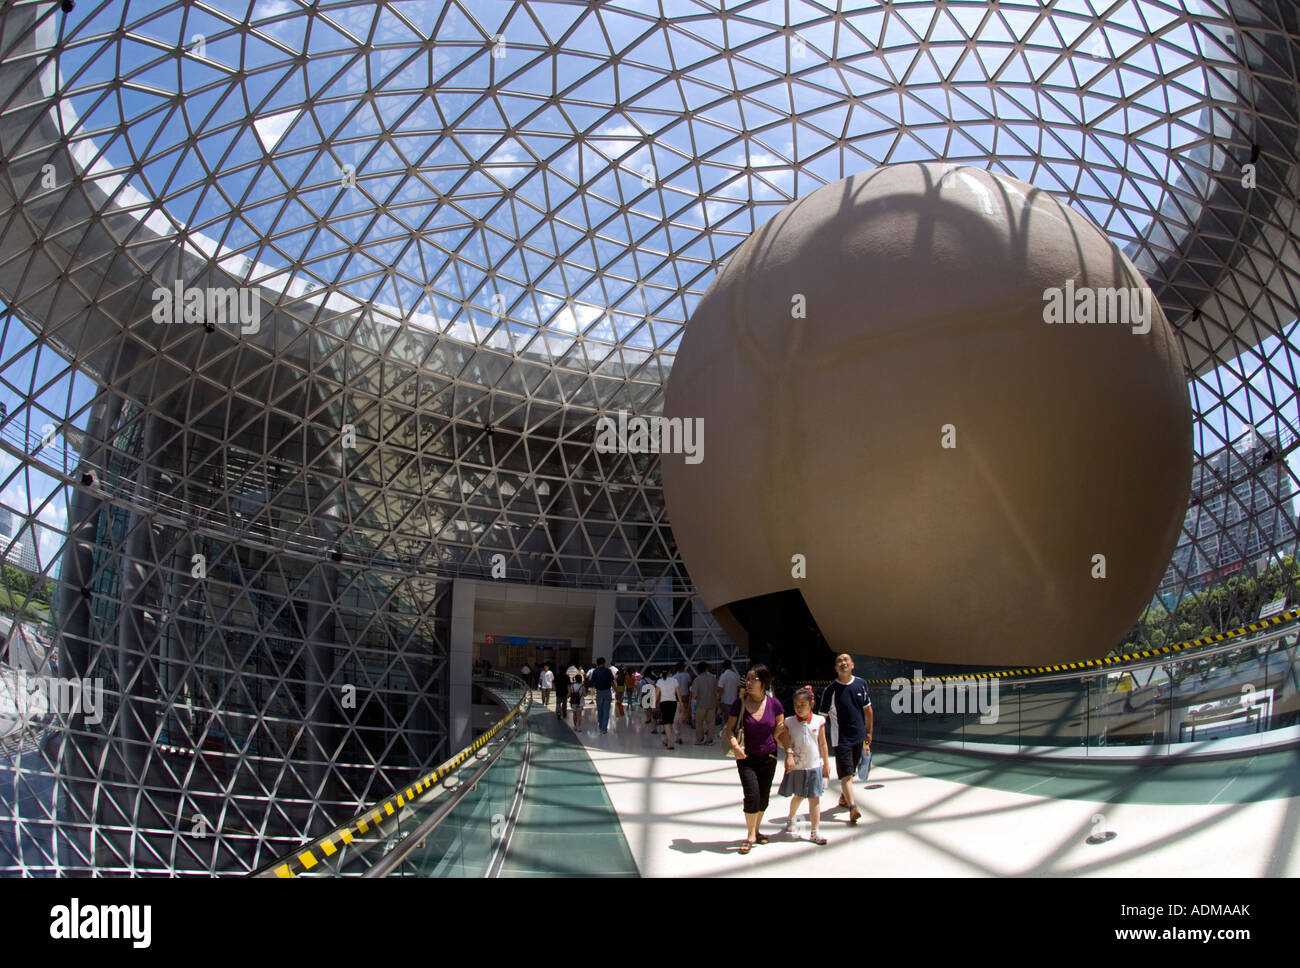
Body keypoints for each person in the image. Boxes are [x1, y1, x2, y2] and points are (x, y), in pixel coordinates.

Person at [725, 664, 784, 854]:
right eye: (747, 679)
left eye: (753, 679)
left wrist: (790, 750)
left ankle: (756, 830)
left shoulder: (775, 705)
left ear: (764, 682)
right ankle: (750, 835)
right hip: (746, 757)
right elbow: (729, 729)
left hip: (769, 756)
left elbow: (779, 732)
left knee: (764, 798)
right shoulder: (739, 704)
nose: (748, 683)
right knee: (752, 795)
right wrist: (735, 746)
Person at [818, 653, 873, 825]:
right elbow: (822, 718)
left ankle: (843, 797)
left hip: (859, 737)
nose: (843, 663)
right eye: (839, 661)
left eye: (846, 660)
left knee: (852, 771)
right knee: (847, 774)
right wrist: (818, 741)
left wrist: (869, 732)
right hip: (841, 740)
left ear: (852, 665)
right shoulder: (830, 691)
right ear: (835, 668)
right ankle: (853, 808)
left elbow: (868, 710)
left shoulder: (861, 684)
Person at [778, 686, 830, 845]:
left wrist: (826, 764)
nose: (799, 708)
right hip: (798, 767)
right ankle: (791, 817)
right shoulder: (789, 722)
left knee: (815, 799)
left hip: (814, 766)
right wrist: (777, 736)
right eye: (796, 705)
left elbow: (822, 743)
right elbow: (782, 743)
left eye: (803, 704)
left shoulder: (819, 721)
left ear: (811, 704)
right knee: (798, 796)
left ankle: (815, 831)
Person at [691, 662, 718, 744]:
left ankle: (700, 739)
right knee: (711, 722)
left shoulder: (697, 679)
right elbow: (717, 692)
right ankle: (709, 739)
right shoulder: (713, 678)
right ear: (707, 668)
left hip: (701, 704)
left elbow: (694, 694)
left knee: (699, 722)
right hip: (712, 703)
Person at [656, 666, 681, 749]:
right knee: (670, 721)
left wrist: (654, 704)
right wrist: (681, 703)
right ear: (669, 672)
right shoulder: (674, 680)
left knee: (666, 723)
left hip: (664, 703)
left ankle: (670, 743)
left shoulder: (659, 681)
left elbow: (656, 695)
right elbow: (678, 694)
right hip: (673, 703)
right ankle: (667, 740)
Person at [591, 657, 616, 734]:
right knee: (606, 710)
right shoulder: (608, 671)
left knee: (600, 709)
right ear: (604, 663)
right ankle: (604, 728)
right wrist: (616, 691)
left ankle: (600, 725)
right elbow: (612, 682)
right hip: (607, 692)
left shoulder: (595, 671)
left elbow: (593, 682)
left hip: (599, 692)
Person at [717, 659, 741, 727]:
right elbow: (739, 687)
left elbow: (720, 689)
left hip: (725, 701)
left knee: (725, 720)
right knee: (734, 719)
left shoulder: (723, 676)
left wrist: (718, 699)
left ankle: (725, 735)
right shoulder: (736, 675)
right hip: (734, 701)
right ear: (731, 666)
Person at [567, 664, 585, 729]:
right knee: (579, 715)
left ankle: (575, 726)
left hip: (574, 701)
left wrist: (567, 697)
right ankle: (579, 727)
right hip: (580, 701)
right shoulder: (582, 687)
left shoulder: (572, 686)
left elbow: (569, 694)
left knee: (574, 714)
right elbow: (584, 694)